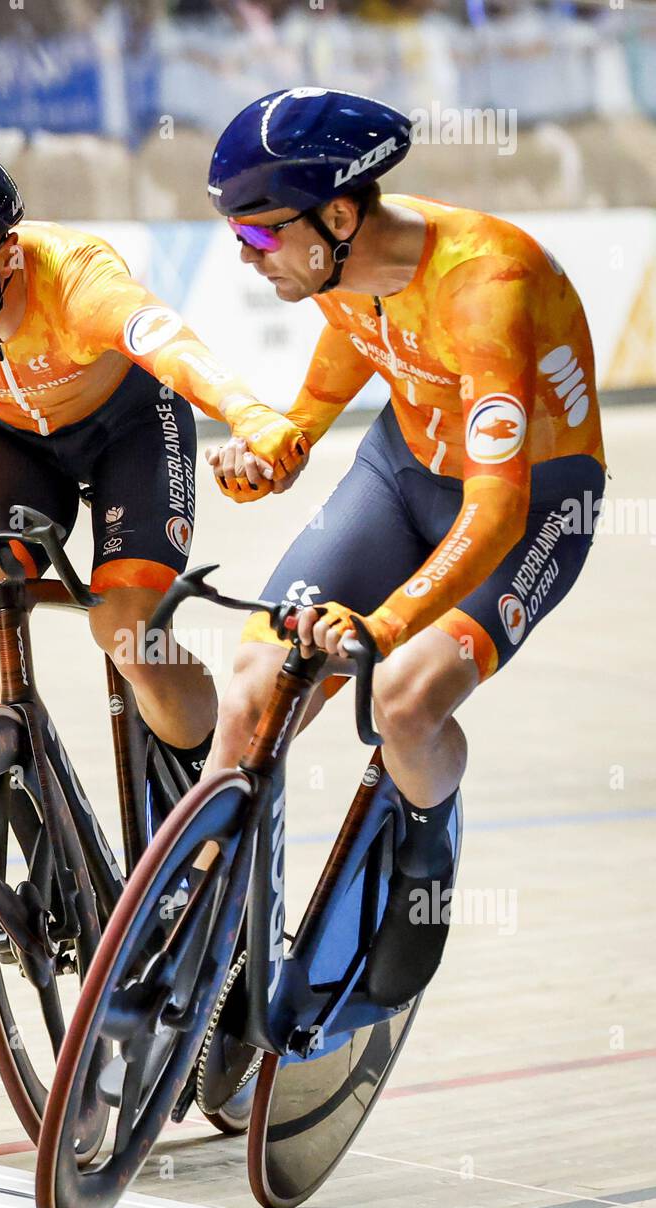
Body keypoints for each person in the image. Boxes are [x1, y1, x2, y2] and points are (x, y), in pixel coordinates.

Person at [204, 88, 605, 1002]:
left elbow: (497, 511)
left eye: (261, 234)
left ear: (339, 214)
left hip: (532, 499)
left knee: (404, 696)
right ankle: (209, 917)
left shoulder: (486, 284)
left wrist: (382, 626)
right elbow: (352, 350)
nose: (245, 253)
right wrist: (284, 446)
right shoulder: (341, 263)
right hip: (403, 466)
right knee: (251, 692)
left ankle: (425, 852)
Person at [0, 140, 306, 782]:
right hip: (8, 434)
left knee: (127, 631)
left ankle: (219, 788)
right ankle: (19, 805)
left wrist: (251, 416)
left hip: (128, 424)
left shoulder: (74, 279)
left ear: (7, 254)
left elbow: (169, 345)